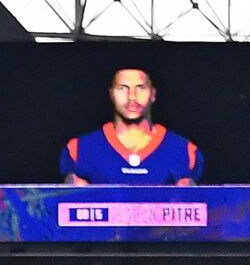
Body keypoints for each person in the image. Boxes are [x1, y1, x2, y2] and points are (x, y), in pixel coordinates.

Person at [61, 66, 203, 185]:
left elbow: (192, 209)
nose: (132, 97)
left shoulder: (184, 150)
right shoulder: (80, 149)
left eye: (140, 88)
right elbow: (68, 209)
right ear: (111, 94)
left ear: (153, 94)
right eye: (123, 88)